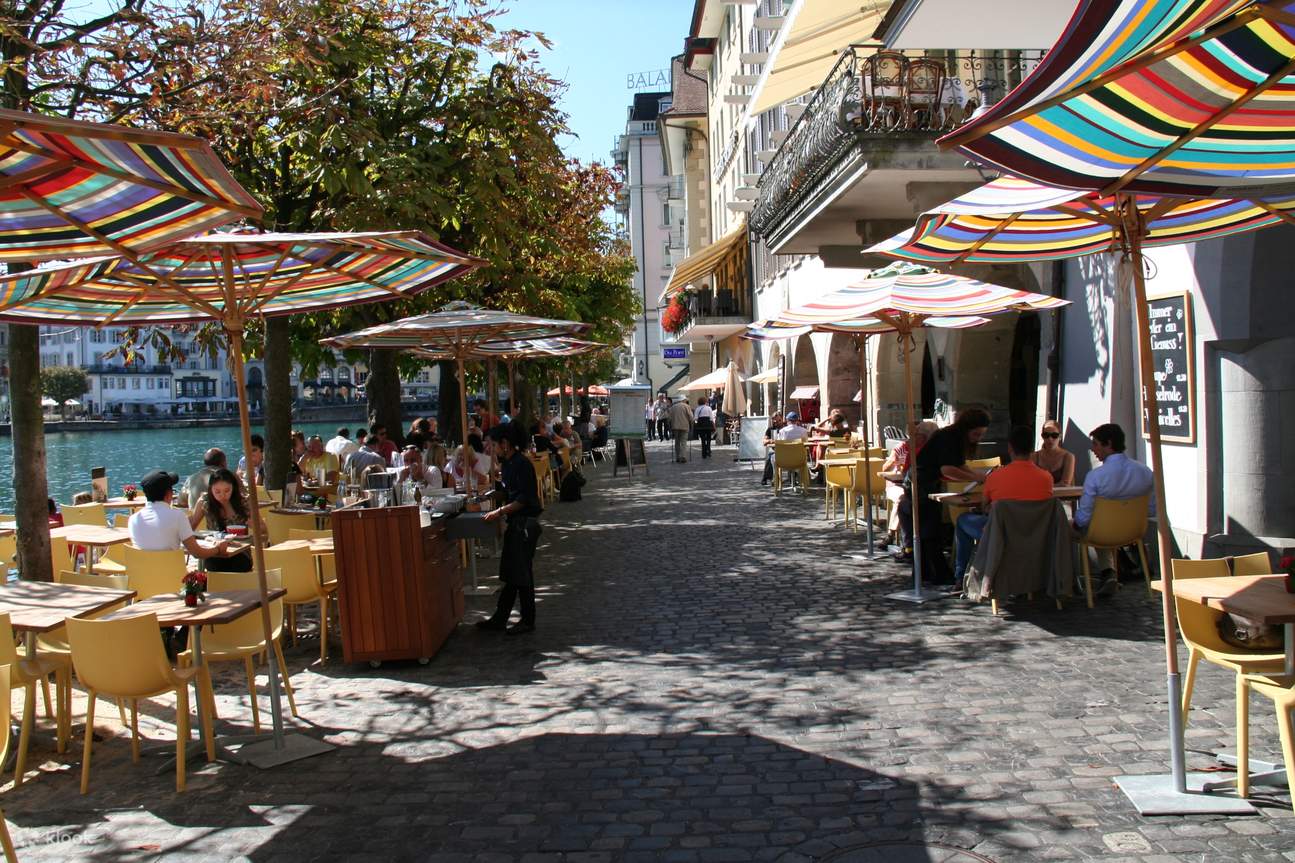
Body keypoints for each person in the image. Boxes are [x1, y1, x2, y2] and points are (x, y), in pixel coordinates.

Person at [952, 425, 1054, 586]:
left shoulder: (996, 476)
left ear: (1010, 448)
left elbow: (986, 507)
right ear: (1032, 449)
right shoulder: (1047, 478)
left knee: (963, 520)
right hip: (1035, 535)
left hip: (1002, 536)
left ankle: (960, 576)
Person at [476, 422, 543, 635]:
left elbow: (523, 499)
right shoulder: (509, 464)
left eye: (494, 444)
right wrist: (494, 495)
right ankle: (502, 617)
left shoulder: (522, 464)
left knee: (520, 575)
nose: (492, 449)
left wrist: (499, 512)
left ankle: (524, 619)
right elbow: (510, 492)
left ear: (505, 444)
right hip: (516, 523)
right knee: (514, 575)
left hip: (523, 524)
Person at [912, 407, 992, 587]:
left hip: (929, 480)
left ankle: (929, 573)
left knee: (931, 529)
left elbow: (959, 465)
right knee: (929, 530)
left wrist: (978, 476)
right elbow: (947, 469)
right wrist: (977, 477)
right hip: (921, 481)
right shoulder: (949, 437)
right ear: (967, 429)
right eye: (977, 434)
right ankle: (934, 574)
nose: (978, 438)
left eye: (982, 435)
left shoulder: (955, 437)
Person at [1074, 422, 1155, 596]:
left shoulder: (1096, 476)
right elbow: (1152, 508)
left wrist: (1076, 523)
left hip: (1102, 532)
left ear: (1108, 444)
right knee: (1098, 524)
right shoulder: (1145, 472)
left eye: (1095, 443)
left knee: (1069, 527)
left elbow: (1084, 516)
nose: (1092, 448)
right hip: (1134, 532)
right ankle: (1108, 573)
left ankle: (1068, 581)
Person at [130, 470, 231, 562]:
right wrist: (218, 549)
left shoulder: (133, 519)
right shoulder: (177, 516)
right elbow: (197, 553)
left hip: (141, 579)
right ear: (169, 494)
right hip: (173, 579)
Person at [188, 468, 260, 572]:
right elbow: (192, 526)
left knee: (237, 564)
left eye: (227, 491)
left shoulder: (244, 502)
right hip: (215, 552)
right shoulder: (205, 502)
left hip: (240, 552)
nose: (222, 495)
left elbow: (264, 530)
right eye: (217, 491)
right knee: (212, 563)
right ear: (210, 489)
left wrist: (255, 526)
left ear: (233, 488)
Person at [885, 420, 939, 559]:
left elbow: (907, 474)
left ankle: (908, 547)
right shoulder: (942, 450)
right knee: (903, 501)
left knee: (904, 504)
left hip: (922, 498)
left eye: (916, 434)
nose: (912, 437)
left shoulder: (916, 451)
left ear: (924, 436)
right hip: (936, 497)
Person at [1031, 419, 1075, 486]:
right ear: (1042, 436)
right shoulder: (1034, 456)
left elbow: (1065, 483)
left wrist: (1042, 487)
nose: (1050, 439)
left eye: (1054, 435)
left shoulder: (1068, 457)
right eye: (1046, 435)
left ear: (1060, 437)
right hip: (1039, 495)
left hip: (1061, 496)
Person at [760, 412, 786, 485]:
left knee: (771, 456)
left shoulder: (786, 428)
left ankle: (793, 477)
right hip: (777, 451)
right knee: (771, 455)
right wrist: (771, 440)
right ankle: (767, 478)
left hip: (786, 451)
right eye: (775, 421)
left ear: (782, 419)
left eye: (779, 421)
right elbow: (764, 442)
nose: (777, 423)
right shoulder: (770, 429)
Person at [668, 396, 694, 463]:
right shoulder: (686, 406)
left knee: (677, 442)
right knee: (683, 442)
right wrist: (692, 424)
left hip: (675, 427)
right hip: (684, 427)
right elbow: (691, 417)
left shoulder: (673, 407)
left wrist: (670, 427)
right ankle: (683, 456)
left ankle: (677, 457)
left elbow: (669, 418)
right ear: (683, 400)